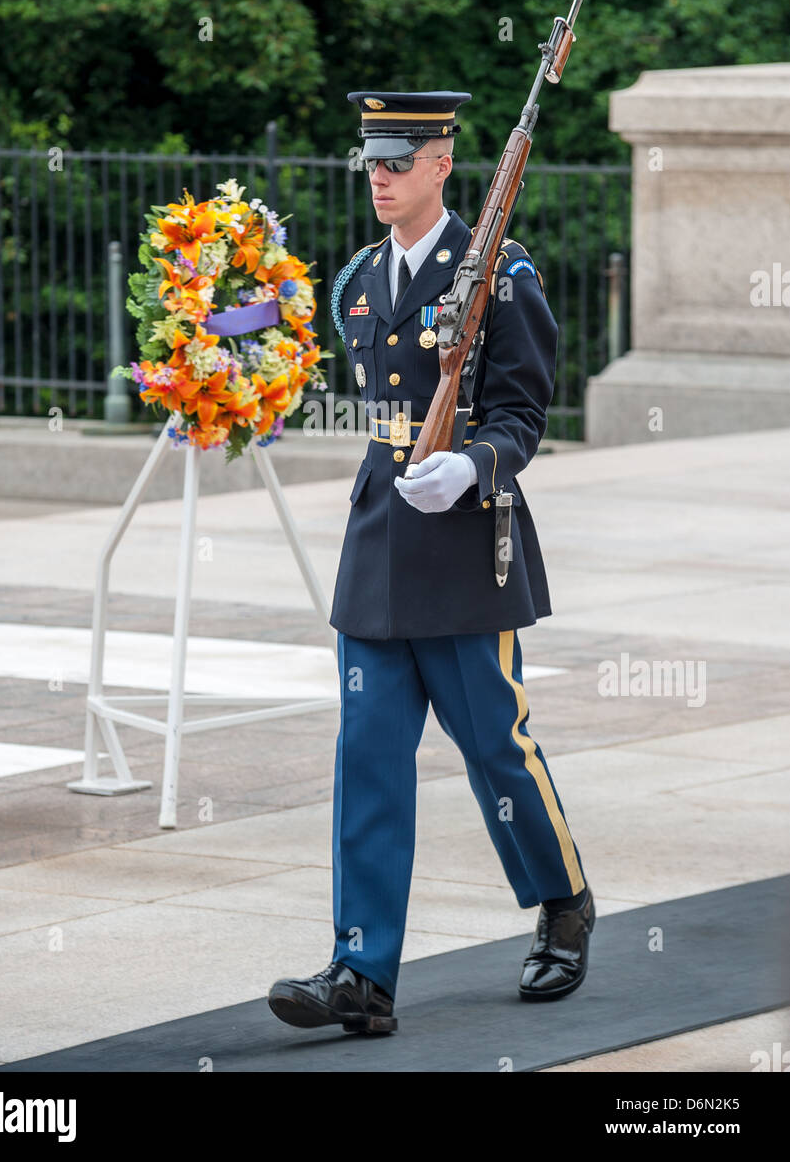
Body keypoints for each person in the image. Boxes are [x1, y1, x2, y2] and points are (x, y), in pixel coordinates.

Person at [268, 91, 594, 1036]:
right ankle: (359, 974)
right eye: (371, 162)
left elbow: (523, 417)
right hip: (380, 544)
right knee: (368, 760)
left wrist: (473, 465)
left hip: (462, 549)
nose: (380, 178)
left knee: (496, 746)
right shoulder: (359, 281)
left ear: (443, 166)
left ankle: (562, 904)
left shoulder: (501, 274)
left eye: (398, 162)